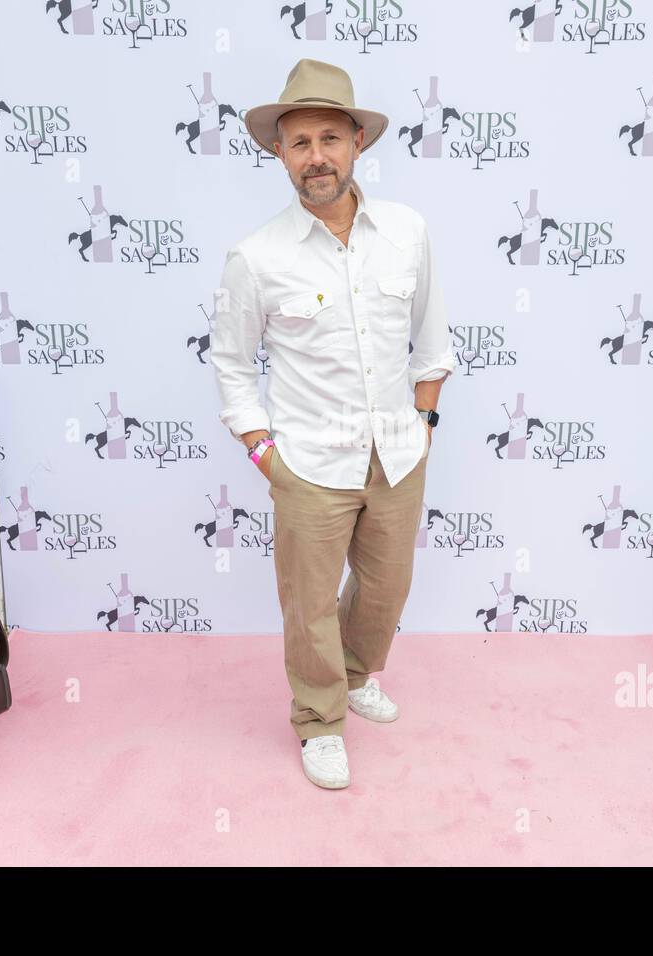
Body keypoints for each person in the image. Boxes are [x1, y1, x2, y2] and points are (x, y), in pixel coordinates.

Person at [210, 58, 455, 789]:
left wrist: (425, 423)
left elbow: (432, 341)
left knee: (385, 590)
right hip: (308, 464)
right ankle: (320, 720)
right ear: (278, 154)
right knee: (310, 604)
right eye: (299, 143)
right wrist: (265, 455)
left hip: (399, 455)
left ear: (357, 143)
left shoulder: (407, 232)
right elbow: (231, 365)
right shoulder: (256, 256)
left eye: (329, 138)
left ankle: (353, 678)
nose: (316, 156)